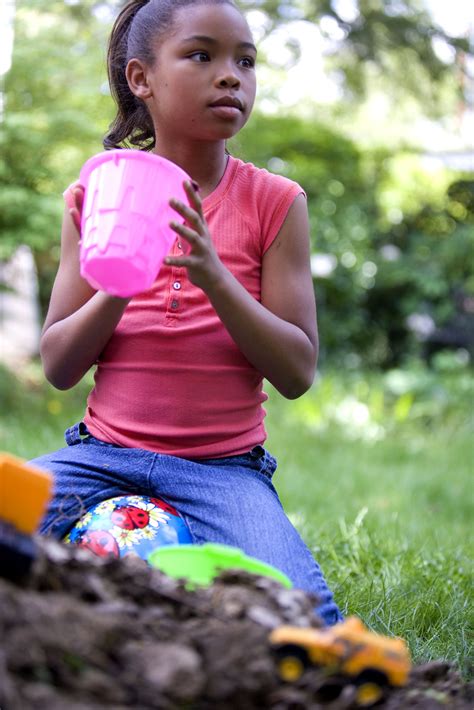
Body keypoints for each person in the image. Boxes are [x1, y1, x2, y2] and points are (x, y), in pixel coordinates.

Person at [31, 0, 342, 625]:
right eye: (202, 56)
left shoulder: (275, 202)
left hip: (222, 472)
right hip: (100, 453)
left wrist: (214, 276)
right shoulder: (94, 196)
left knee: (304, 618)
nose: (232, 76)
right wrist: (119, 286)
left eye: (245, 61)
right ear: (142, 78)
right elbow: (60, 366)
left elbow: (298, 372)